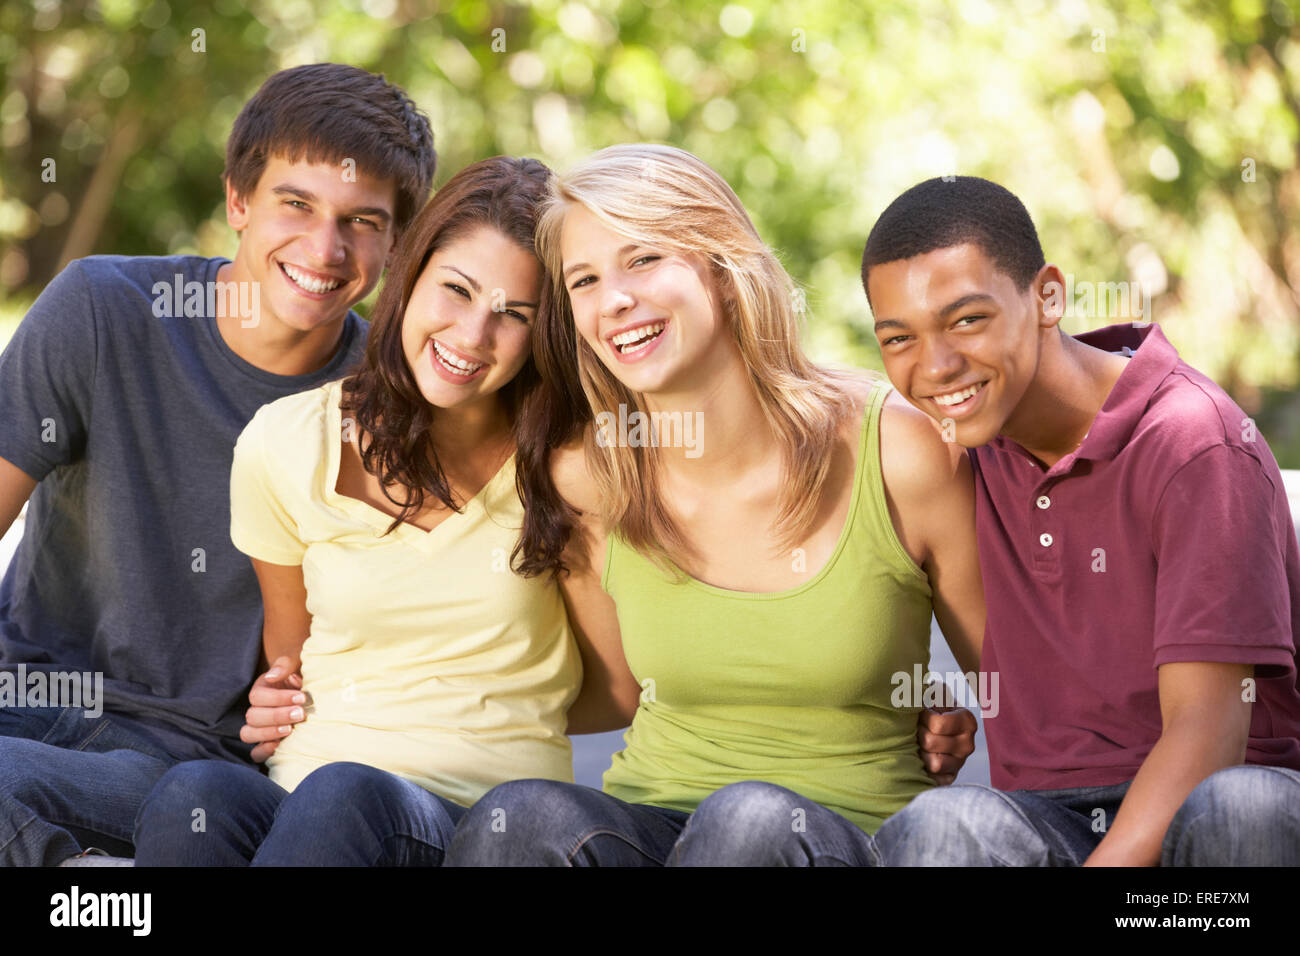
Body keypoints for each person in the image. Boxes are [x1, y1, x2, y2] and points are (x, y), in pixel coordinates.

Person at [443, 144, 985, 867]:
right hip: (654, 828)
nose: (615, 300)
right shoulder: (589, 477)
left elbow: (1018, 682)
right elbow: (608, 693)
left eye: (643, 260)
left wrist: (942, 708)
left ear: (724, 271)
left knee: (749, 820)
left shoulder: (897, 451)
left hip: (842, 838)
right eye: (584, 280)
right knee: (523, 814)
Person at [0, 63, 435, 866]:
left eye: (363, 221)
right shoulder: (102, 310)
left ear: (397, 245)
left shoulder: (395, 399)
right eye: (295, 204)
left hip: (183, 764)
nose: (325, 247)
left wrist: (299, 699)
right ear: (238, 199)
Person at [131, 156, 596, 867]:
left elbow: (622, 688)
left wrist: (496, 708)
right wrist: (273, 701)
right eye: (457, 290)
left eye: (513, 314)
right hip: (307, 795)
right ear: (410, 279)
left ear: (543, 336)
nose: (473, 335)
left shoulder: (569, 465)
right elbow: (290, 662)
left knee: (344, 796)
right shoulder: (284, 443)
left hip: (482, 815)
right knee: (194, 793)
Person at [862, 175, 1300, 866]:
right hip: (1044, 817)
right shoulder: (959, 445)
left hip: (1209, 820)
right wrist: (921, 710)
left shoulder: (1194, 443)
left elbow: (1208, 730)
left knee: (1244, 811)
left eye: (966, 319)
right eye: (899, 339)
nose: (936, 366)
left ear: (1047, 296)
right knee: (941, 826)